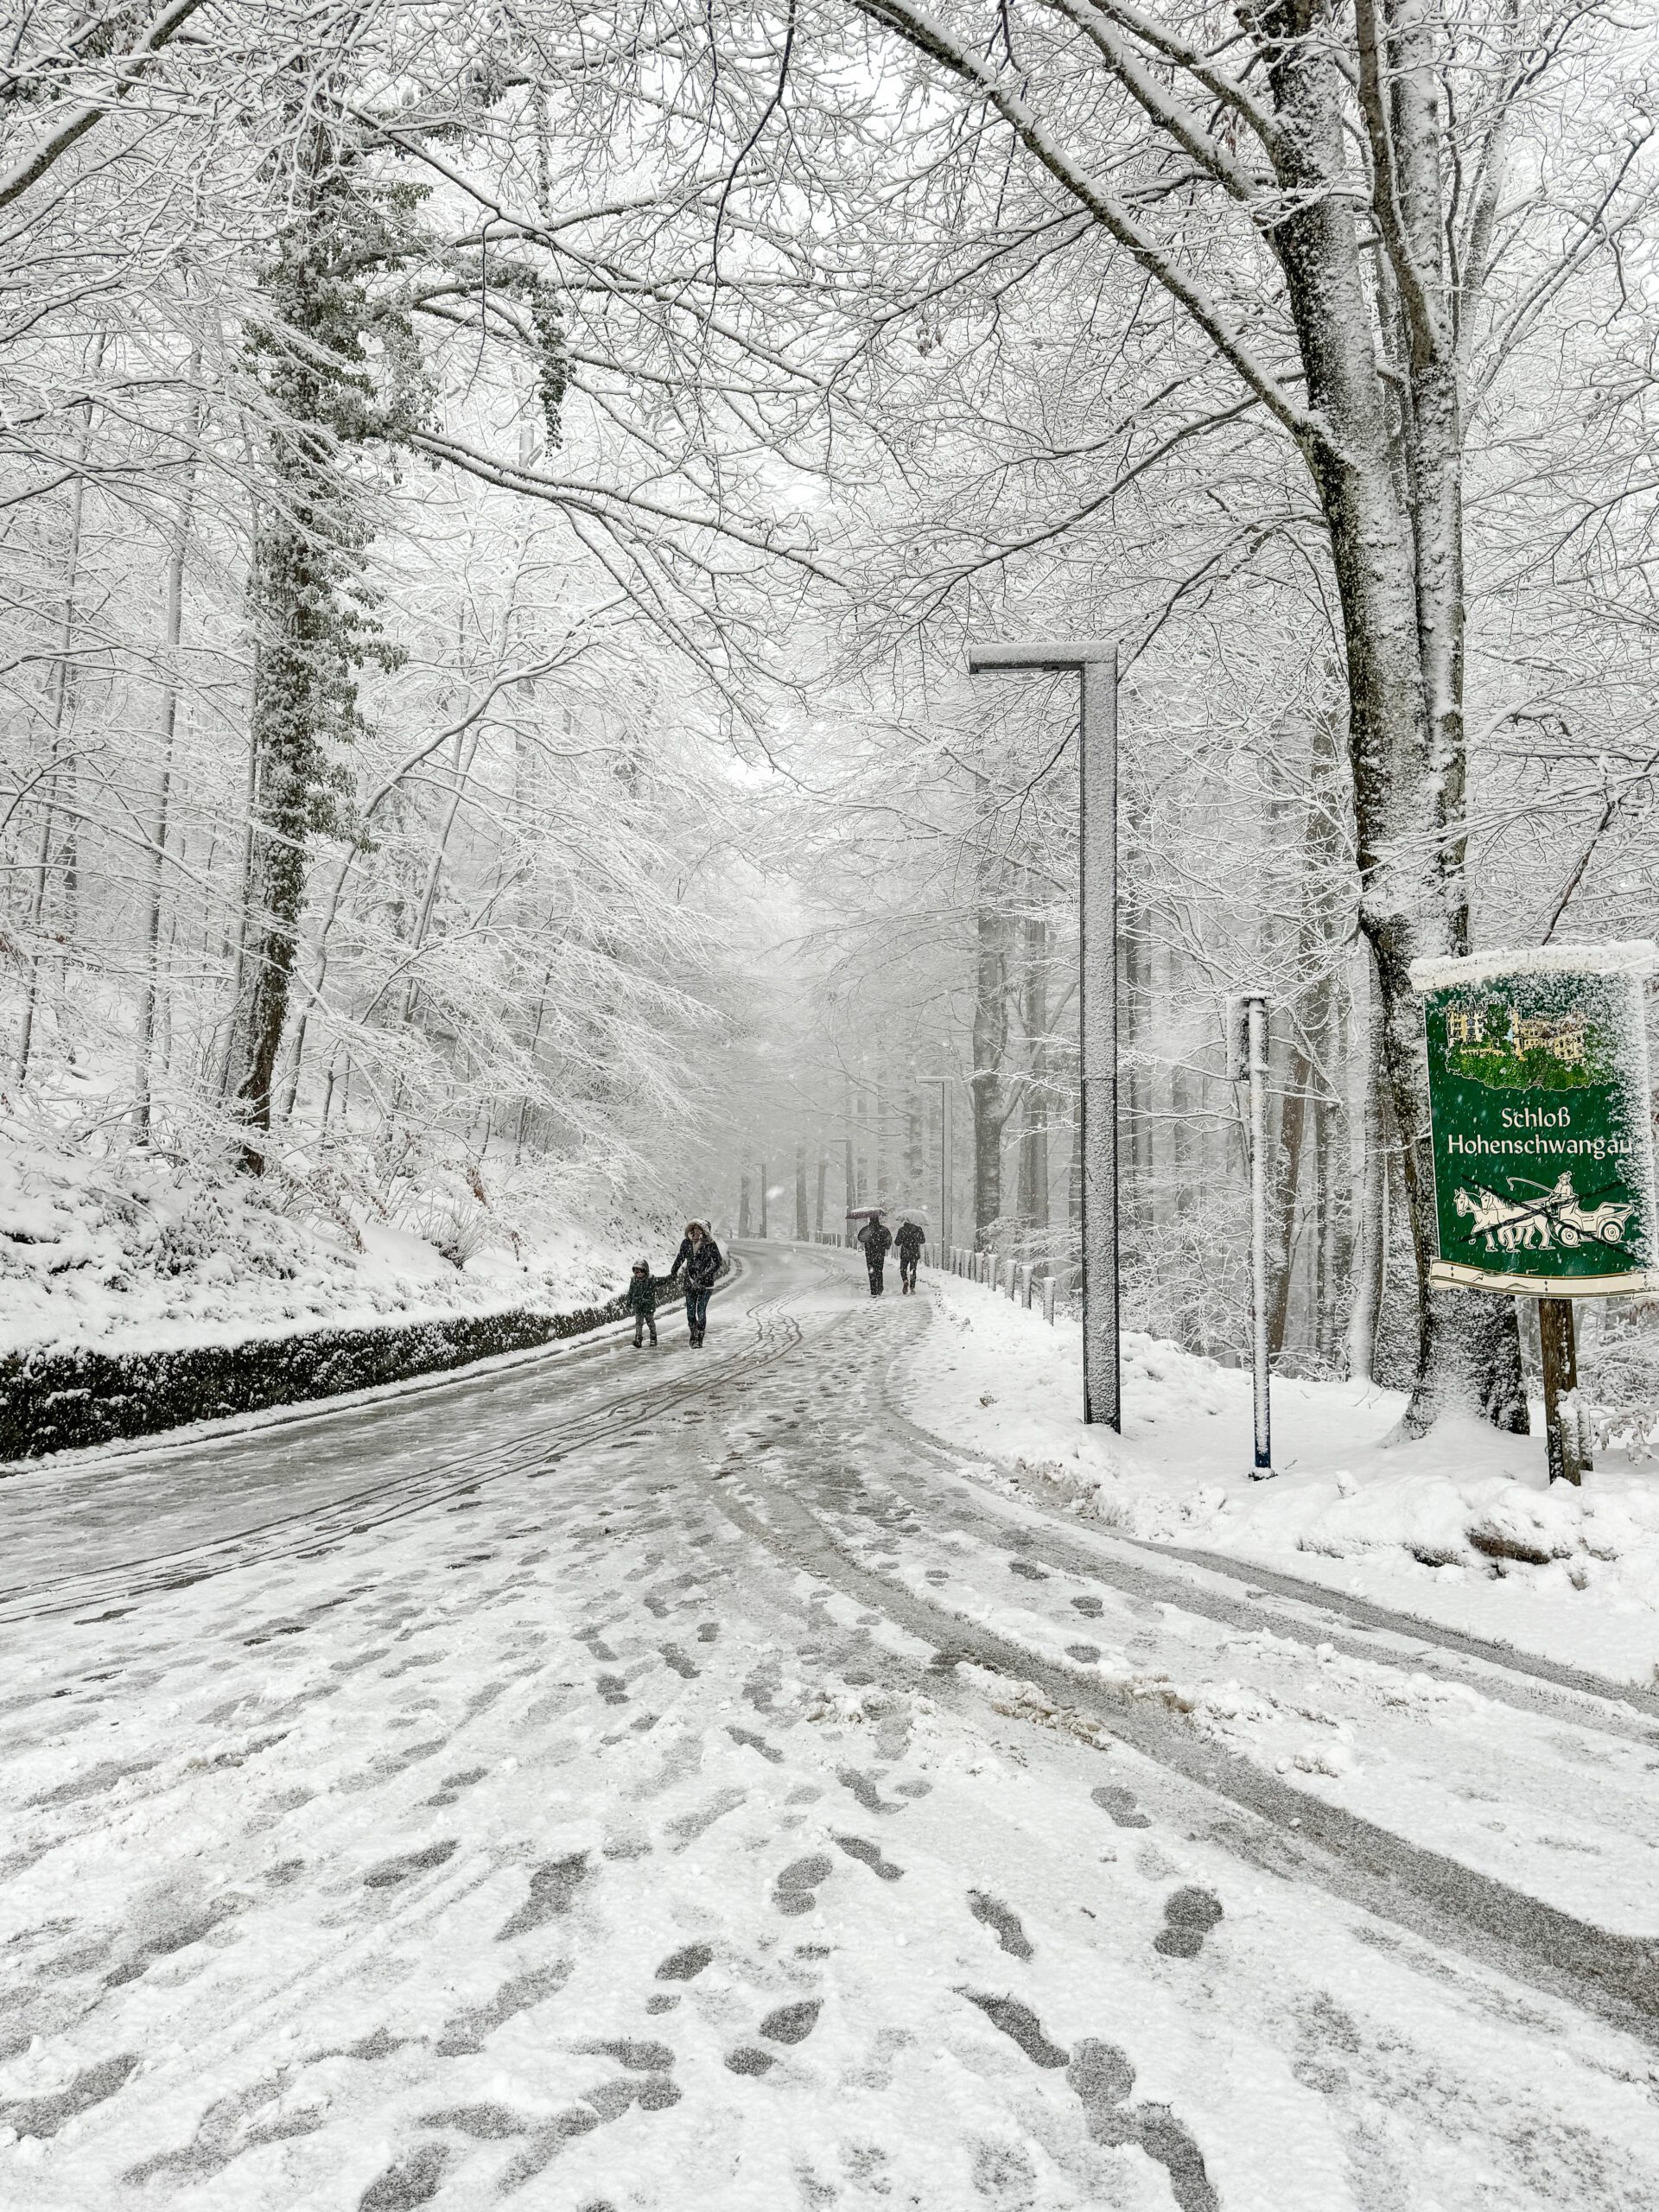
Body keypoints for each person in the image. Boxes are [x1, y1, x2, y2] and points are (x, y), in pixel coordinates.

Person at [668, 1219, 722, 1344]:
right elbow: (680, 1257)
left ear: (705, 1231)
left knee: (701, 1311)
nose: (697, 1231)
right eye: (694, 1228)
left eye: (700, 1229)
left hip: (706, 1284)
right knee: (690, 1313)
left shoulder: (710, 1245)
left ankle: (700, 1336)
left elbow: (717, 1261)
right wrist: (673, 1270)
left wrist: (707, 1274)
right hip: (690, 1283)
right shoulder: (686, 1243)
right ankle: (693, 1332)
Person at [857, 1210, 893, 1297]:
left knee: (871, 1271)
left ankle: (873, 1289)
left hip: (869, 1254)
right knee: (879, 1271)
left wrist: (868, 1240)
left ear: (870, 1219)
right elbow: (888, 1240)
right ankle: (880, 1287)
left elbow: (860, 1238)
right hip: (880, 1253)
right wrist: (885, 1246)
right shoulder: (883, 1229)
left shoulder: (866, 1230)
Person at [624, 1260, 658, 1347]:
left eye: (639, 1271)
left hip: (648, 1305)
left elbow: (660, 1282)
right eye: (635, 1271)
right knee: (639, 1323)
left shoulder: (650, 1279)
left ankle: (653, 1337)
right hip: (638, 1305)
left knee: (650, 1322)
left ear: (645, 1271)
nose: (637, 1273)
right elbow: (631, 1291)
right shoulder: (634, 1280)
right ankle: (638, 1338)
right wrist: (629, 1301)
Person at [893, 1217, 925, 1294]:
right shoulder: (918, 1229)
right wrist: (916, 1239)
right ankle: (912, 1287)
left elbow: (897, 1243)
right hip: (914, 1252)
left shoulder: (902, 1230)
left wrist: (903, 1239)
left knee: (903, 1269)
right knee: (913, 1270)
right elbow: (923, 1241)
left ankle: (905, 1280)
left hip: (905, 1252)